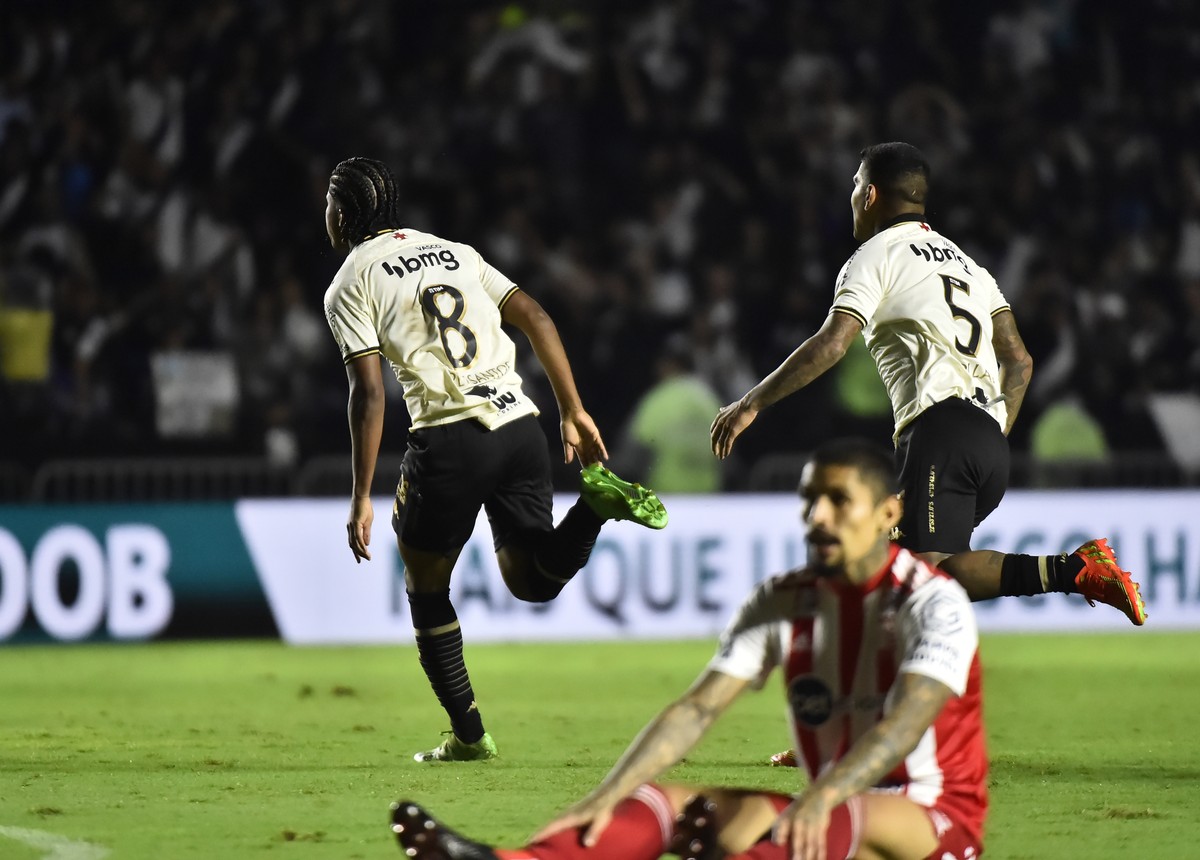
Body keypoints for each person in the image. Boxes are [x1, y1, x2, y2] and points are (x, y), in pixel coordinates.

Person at [389, 439, 989, 860]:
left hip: (932, 824)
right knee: (663, 804)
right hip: (829, 813)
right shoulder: (783, 599)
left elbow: (904, 726)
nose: (818, 517)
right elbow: (697, 710)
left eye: (838, 500)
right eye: (809, 501)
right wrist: (607, 794)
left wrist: (825, 795)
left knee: (838, 819)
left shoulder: (932, 603)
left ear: (889, 513)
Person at [710, 142, 1146, 628]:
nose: (852, 195)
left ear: (871, 194)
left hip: (939, 432)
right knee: (890, 571)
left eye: (855, 185)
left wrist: (752, 402)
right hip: (984, 440)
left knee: (930, 574)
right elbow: (1019, 361)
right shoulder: (969, 265)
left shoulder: (875, 255)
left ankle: (1075, 569)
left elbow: (833, 343)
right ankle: (876, 679)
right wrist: (992, 429)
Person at [321, 157, 668, 763]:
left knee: (426, 586)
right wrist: (572, 409)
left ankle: (470, 736)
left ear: (343, 213)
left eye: (327, 203)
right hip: (518, 424)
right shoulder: (456, 251)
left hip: (449, 440)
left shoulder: (350, 281)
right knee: (531, 579)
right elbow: (535, 315)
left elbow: (370, 393)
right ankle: (593, 508)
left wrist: (359, 495)